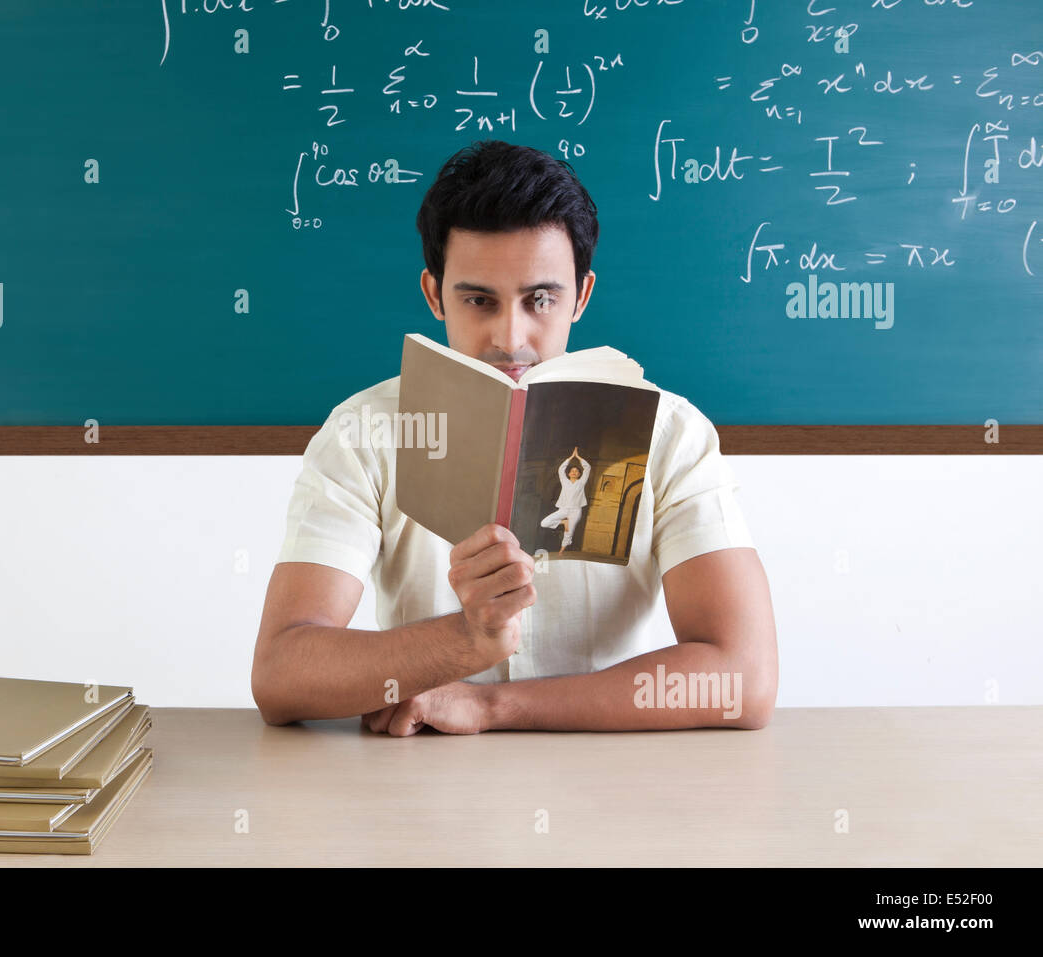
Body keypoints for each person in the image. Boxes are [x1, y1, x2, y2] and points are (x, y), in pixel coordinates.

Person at [252, 140, 777, 735]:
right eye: (479, 300)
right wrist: (465, 638)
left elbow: (743, 680)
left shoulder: (671, 433)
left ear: (580, 296)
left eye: (540, 299)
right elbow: (280, 676)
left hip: (611, 783)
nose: (510, 337)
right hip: (422, 786)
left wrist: (489, 704)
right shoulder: (362, 434)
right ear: (433, 295)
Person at [539, 448, 591, 553]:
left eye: (576, 471)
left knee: (569, 533)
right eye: (572, 471)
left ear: (579, 475)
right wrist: (571, 458)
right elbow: (561, 469)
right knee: (544, 523)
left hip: (576, 511)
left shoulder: (581, 483)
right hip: (564, 509)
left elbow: (588, 467)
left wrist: (578, 457)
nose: (574, 472)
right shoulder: (565, 481)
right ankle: (564, 522)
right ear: (569, 474)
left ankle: (561, 552)